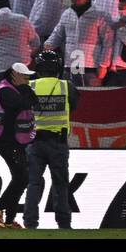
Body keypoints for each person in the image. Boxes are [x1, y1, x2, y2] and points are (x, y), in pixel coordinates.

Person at [23, 49, 76, 229]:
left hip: (34, 142)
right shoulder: (66, 86)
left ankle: (30, 223)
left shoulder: (31, 86)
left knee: (33, 183)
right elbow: (74, 105)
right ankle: (64, 223)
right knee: (60, 184)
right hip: (58, 143)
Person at [0, 61, 37, 228]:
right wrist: (24, 89)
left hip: (17, 141)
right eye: (25, 77)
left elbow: (32, 100)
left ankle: (8, 220)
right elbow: (22, 104)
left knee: (20, 179)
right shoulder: (5, 90)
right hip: (8, 142)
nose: (28, 80)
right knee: (21, 178)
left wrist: (24, 89)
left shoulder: (14, 89)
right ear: (15, 75)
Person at [44, 0, 118, 87]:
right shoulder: (67, 13)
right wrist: (49, 44)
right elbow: (58, 33)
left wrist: (103, 65)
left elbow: (108, 42)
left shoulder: (100, 15)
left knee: (91, 97)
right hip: (71, 63)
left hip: (91, 65)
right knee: (71, 95)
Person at [0, 0, 41, 76]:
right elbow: (36, 42)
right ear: (10, 6)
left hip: (1, 67)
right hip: (22, 66)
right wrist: (28, 53)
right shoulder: (22, 19)